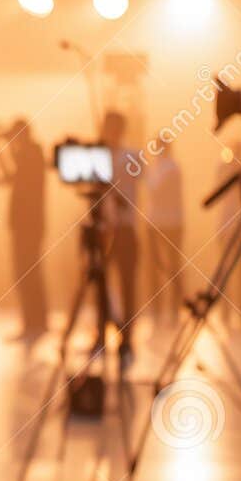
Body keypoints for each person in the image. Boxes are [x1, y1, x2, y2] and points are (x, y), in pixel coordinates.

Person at [0, 119, 48, 340]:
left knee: (28, 273)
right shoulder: (27, 155)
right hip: (23, 225)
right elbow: (0, 178)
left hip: (30, 225)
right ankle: (34, 322)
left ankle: (35, 323)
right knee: (25, 274)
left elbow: (7, 171)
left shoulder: (33, 154)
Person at [99, 110, 142, 363]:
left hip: (125, 229)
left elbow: (134, 178)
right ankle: (102, 334)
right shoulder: (99, 155)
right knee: (101, 285)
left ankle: (127, 337)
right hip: (104, 229)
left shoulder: (131, 156)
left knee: (128, 287)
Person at [142, 138, 186, 327]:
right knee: (155, 268)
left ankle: (174, 309)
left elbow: (157, 192)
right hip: (156, 222)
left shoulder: (171, 168)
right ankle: (157, 310)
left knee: (172, 267)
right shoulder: (157, 168)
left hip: (170, 222)